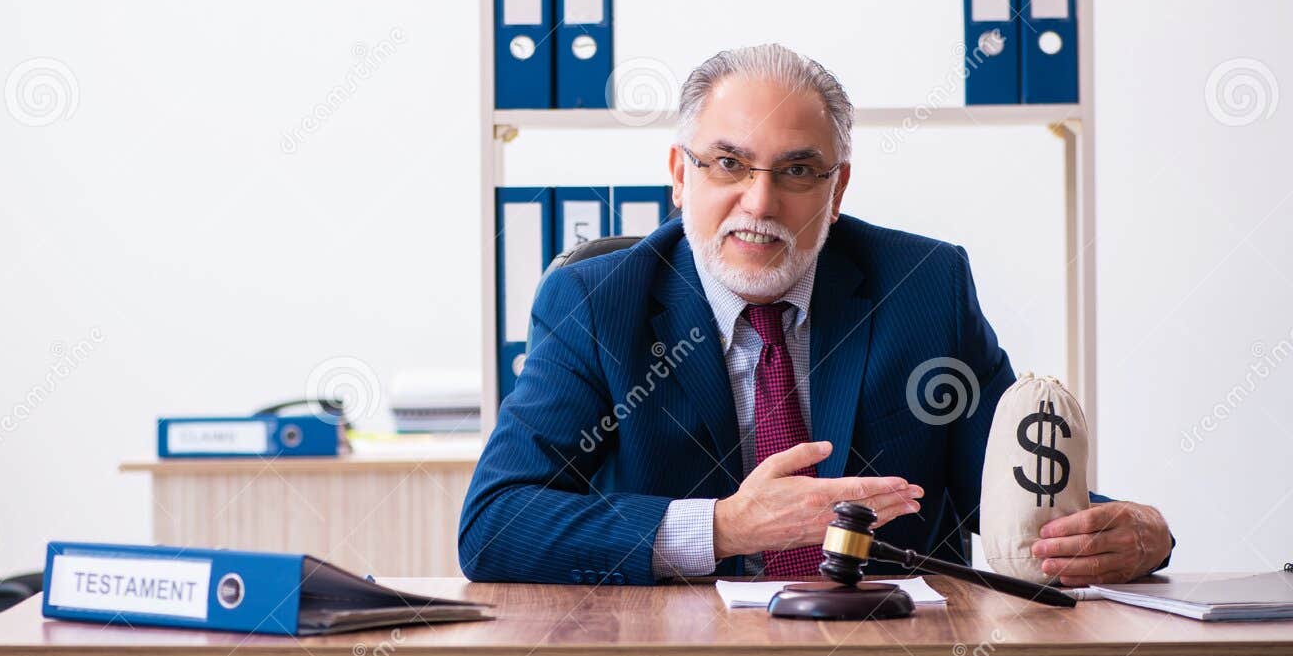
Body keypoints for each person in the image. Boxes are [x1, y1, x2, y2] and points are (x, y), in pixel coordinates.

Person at [459, 43, 1172, 586]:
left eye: (797, 171)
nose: (761, 203)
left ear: (837, 190)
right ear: (680, 176)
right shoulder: (597, 303)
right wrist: (724, 528)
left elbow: (1006, 492)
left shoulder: (925, 287)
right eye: (728, 164)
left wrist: (1132, 535)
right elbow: (495, 524)